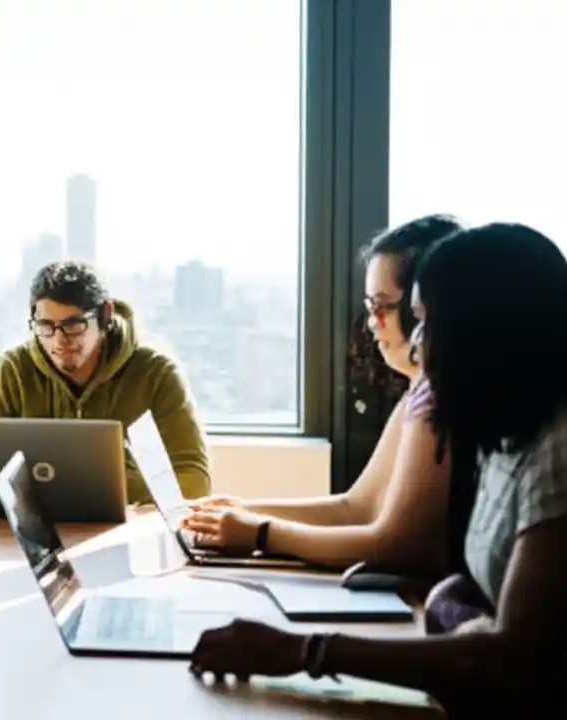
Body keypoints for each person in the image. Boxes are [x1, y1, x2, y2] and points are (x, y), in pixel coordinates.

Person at [189, 223, 567, 715]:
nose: (417, 345)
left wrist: (304, 651)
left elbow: (510, 657)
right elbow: (359, 505)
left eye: (427, 323)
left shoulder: (555, 455)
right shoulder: (503, 433)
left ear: (483, 333)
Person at [180, 215, 463, 575]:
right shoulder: (416, 394)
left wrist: (261, 533)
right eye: (368, 305)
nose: (372, 321)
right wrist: (246, 511)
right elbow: (355, 508)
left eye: (383, 306)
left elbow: (392, 545)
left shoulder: (438, 401)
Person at [0, 260, 211, 504]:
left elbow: (194, 481)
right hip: (32, 538)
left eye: (72, 325)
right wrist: (10, 489)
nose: (58, 341)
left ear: (105, 316)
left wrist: (81, 489)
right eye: (45, 326)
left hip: (124, 535)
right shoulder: (11, 372)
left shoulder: (156, 374)